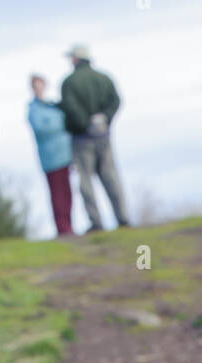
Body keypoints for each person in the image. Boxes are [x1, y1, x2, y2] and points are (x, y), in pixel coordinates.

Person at [60, 44, 129, 231]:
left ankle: (96, 222)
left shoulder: (69, 82)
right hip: (103, 136)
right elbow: (116, 100)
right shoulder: (104, 78)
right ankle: (123, 218)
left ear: (76, 59)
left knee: (85, 181)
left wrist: (84, 125)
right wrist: (104, 119)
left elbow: (70, 108)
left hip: (82, 140)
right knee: (111, 177)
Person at [27, 75, 73, 238]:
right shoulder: (34, 109)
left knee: (67, 192)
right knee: (57, 193)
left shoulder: (52, 105)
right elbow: (42, 128)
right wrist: (62, 125)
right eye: (37, 86)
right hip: (51, 159)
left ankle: (69, 226)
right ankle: (63, 228)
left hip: (65, 154)